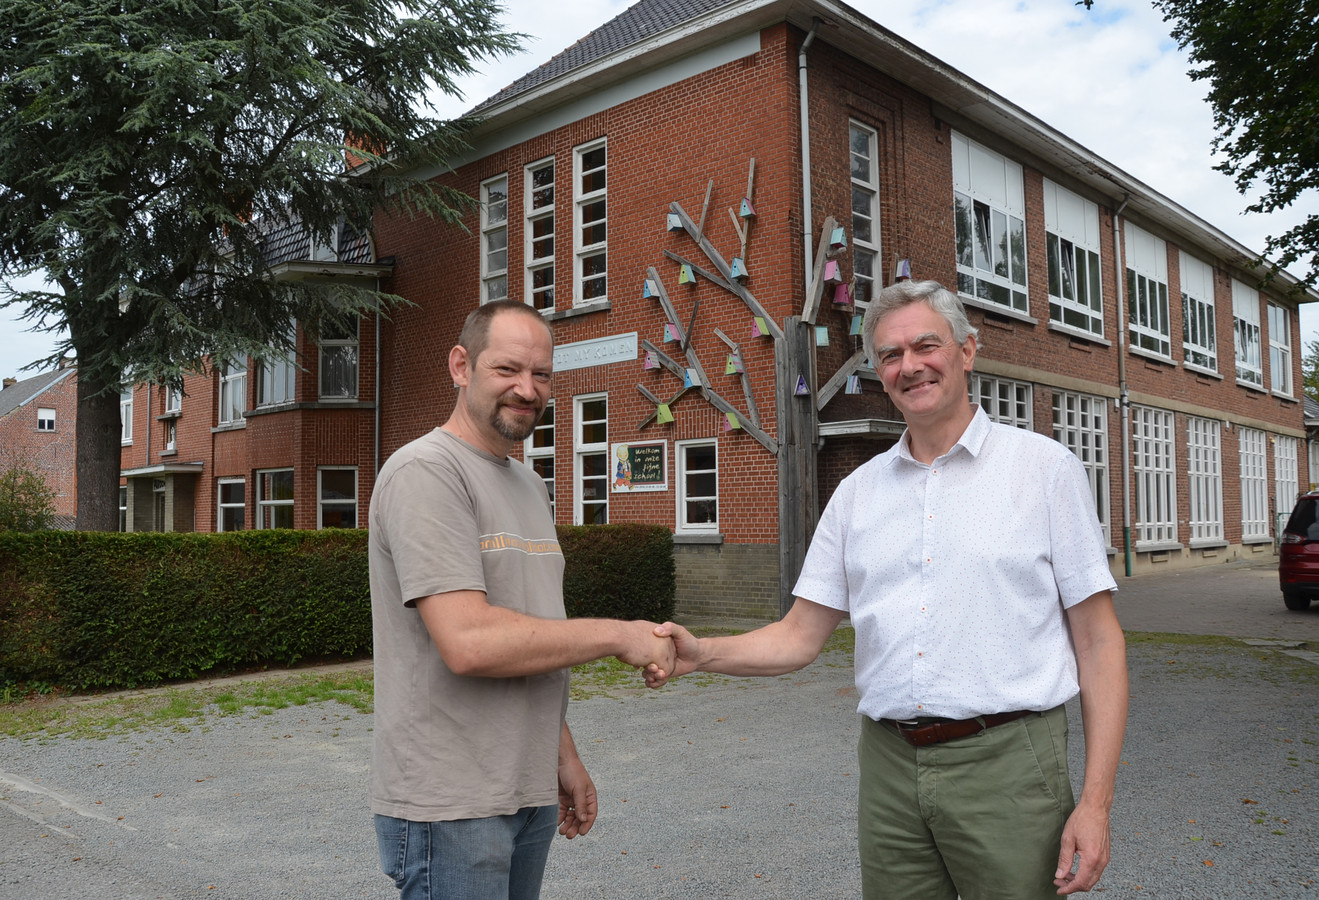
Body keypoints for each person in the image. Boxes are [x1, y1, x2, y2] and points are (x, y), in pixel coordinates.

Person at [651, 280, 1128, 899]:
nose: (910, 367)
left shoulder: (1043, 471)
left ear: (967, 350)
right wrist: (703, 653)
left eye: (925, 346)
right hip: (889, 769)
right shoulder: (857, 493)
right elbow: (799, 635)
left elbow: (1098, 642)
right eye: (890, 356)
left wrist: (1095, 804)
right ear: (878, 371)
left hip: (1009, 762)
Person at [369, 299, 676, 900]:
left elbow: (532, 634)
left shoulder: (530, 484)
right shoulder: (426, 473)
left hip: (525, 788)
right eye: (507, 370)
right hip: (451, 805)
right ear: (461, 366)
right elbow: (470, 642)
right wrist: (620, 635)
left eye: (541, 375)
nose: (527, 389)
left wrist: (561, 755)